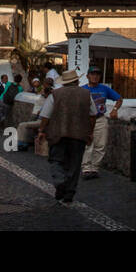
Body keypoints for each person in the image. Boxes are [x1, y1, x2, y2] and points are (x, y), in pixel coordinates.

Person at [36, 70, 98, 204]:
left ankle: (60, 182)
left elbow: (46, 115)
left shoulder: (55, 95)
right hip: (79, 134)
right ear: (76, 81)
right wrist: (90, 131)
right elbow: (93, 115)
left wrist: (41, 130)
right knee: (75, 164)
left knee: (56, 160)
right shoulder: (86, 95)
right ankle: (69, 192)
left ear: (64, 83)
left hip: (58, 133)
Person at [81, 67, 122, 179]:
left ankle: (94, 168)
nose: (95, 76)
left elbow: (119, 99)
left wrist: (114, 110)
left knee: (101, 145)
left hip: (100, 118)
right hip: (86, 120)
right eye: (93, 74)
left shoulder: (104, 89)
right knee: (87, 145)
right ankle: (86, 168)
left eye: (97, 74)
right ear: (87, 76)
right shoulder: (82, 90)